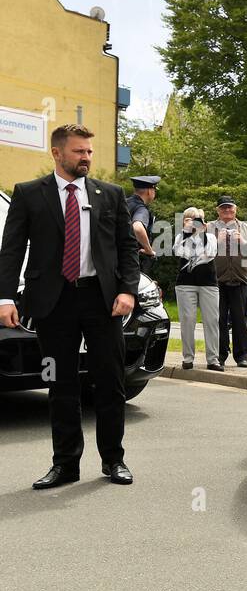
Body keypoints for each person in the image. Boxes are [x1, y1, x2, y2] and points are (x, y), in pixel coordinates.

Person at [0, 123, 139, 487]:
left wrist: (128, 290)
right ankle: (65, 465)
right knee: (59, 383)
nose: (87, 158)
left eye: (90, 152)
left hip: (102, 301)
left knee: (110, 383)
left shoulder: (110, 194)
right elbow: (12, 249)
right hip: (52, 303)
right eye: (79, 151)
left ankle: (114, 461)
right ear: (57, 153)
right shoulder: (29, 194)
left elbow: (126, 248)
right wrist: (5, 298)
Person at [210, 195, 247, 368]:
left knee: (241, 319)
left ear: (235, 209)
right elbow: (198, 250)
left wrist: (244, 242)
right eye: (223, 208)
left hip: (240, 280)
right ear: (218, 210)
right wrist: (217, 242)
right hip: (216, 281)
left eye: (230, 207)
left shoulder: (246, 228)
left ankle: (242, 355)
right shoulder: (209, 228)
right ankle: (220, 355)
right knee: (219, 319)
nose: (227, 210)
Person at [172, 206, 221, 371]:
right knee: (187, 320)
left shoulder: (210, 238)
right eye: (190, 219)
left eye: (197, 219)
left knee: (212, 321)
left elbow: (210, 254)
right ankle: (187, 358)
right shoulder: (180, 237)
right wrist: (187, 234)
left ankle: (213, 359)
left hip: (208, 283)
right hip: (185, 283)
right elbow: (180, 252)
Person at [124, 176, 159, 276]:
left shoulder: (124, 203)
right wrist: (149, 250)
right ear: (149, 191)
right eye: (154, 190)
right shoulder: (141, 209)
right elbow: (137, 228)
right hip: (131, 263)